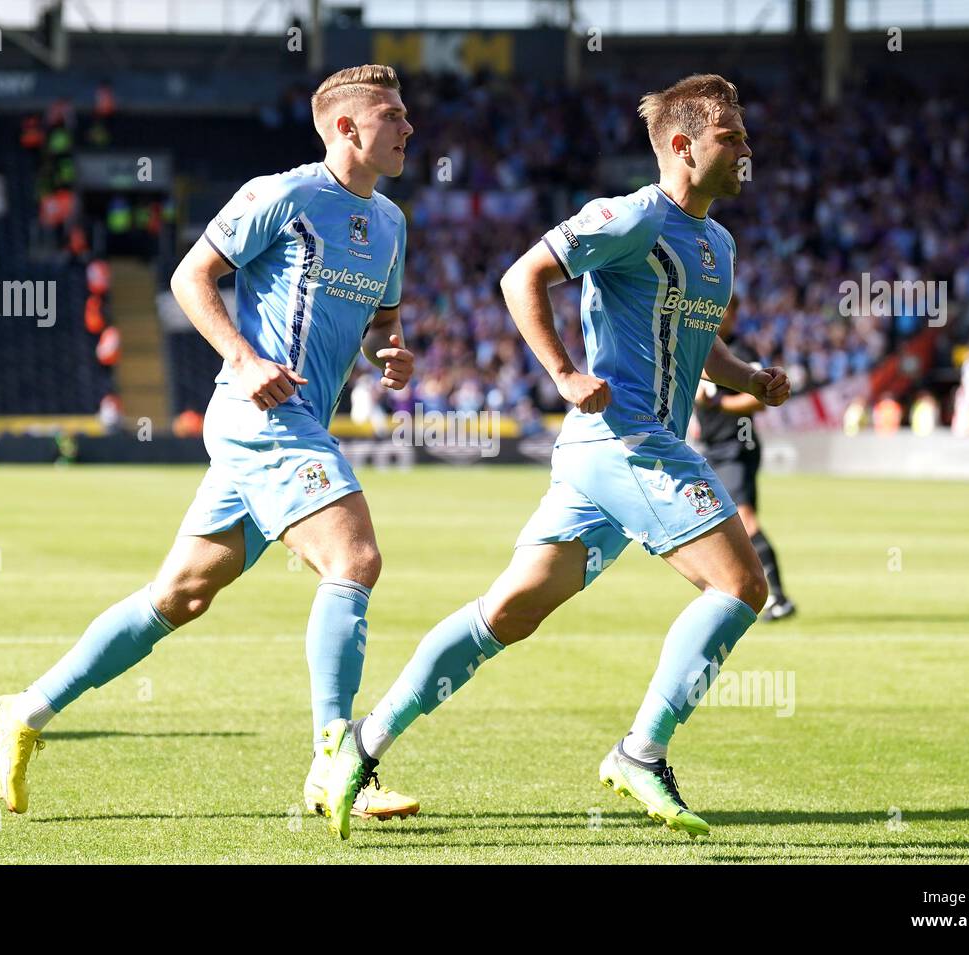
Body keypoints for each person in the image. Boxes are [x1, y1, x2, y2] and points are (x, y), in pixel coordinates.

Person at [323, 74, 790, 841]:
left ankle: (362, 745)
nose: (747, 151)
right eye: (732, 138)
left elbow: (699, 341)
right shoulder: (634, 216)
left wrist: (748, 378)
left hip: (603, 460)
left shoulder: (718, 242)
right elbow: (521, 276)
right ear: (682, 145)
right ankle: (642, 750)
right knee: (741, 585)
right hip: (628, 440)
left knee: (507, 611)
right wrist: (566, 373)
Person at [0, 65, 420, 824]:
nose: (409, 128)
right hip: (259, 417)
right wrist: (243, 359)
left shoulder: (390, 222)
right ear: (346, 128)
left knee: (178, 596)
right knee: (354, 559)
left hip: (299, 423)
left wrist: (394, 350)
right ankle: (333, 759)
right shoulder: (281, 194)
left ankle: (26, 709)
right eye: (392, 115)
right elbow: (193, 276)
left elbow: (384, 319)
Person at [694, 293, 796, 621]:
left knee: (745, 519)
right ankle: (730, 587)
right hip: (714, 446)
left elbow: (758, 399)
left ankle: (778, 597)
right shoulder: (702, 346)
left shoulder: (739, 352)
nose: (714, 315)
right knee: (716, 520)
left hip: (737, 445)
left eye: (721, 311)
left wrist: (719, 406)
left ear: (733, 315)